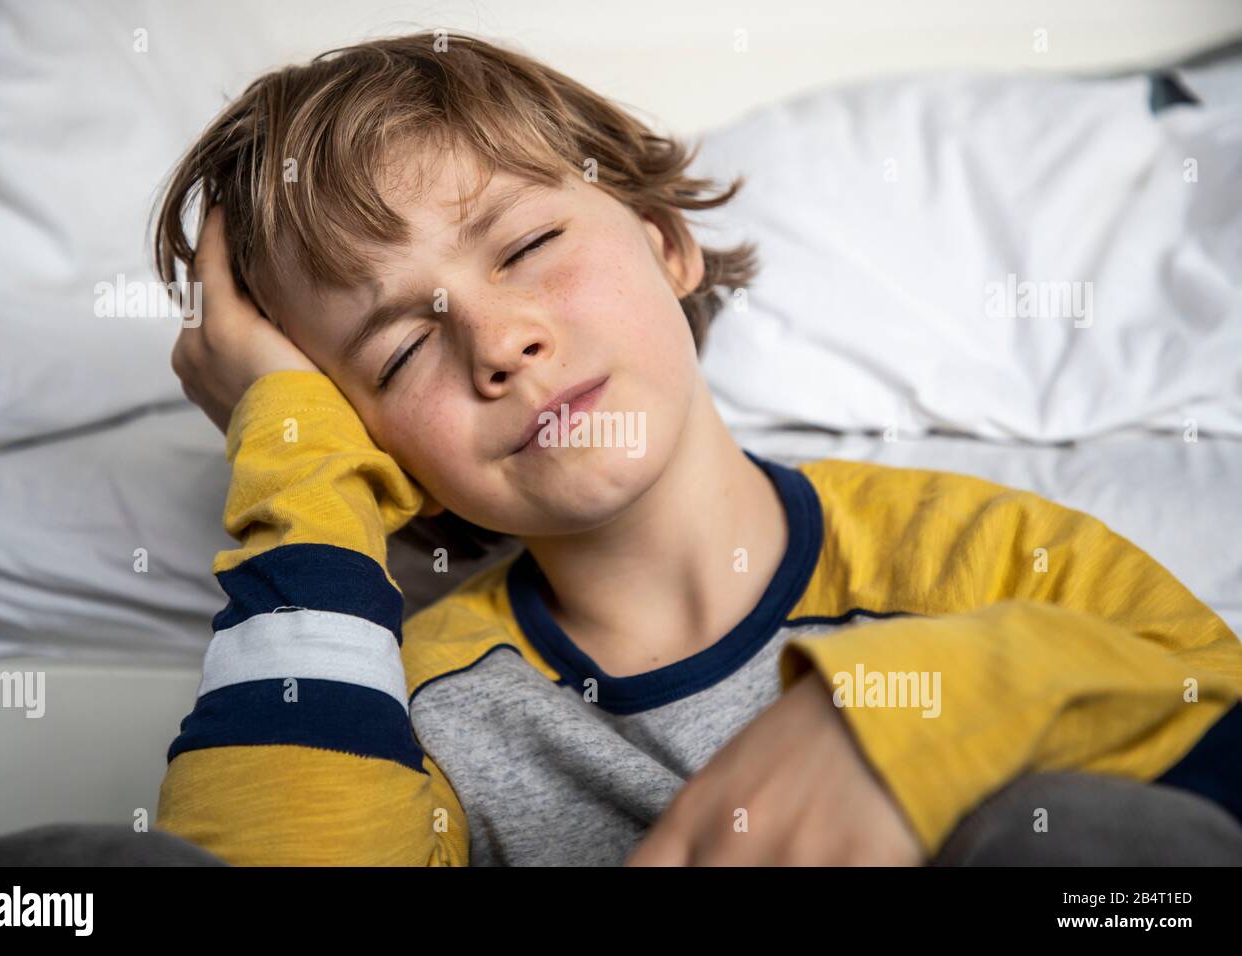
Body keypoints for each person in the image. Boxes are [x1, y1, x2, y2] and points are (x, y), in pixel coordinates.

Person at [149, 31, 1242, 866]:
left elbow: (1211, 723)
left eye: (528, 245)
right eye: (396, 354)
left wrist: (914, 706)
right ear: (375, 448)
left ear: (665, 242)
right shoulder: (421, 712)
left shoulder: (989, 557)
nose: (498, 340)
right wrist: (292, 453)